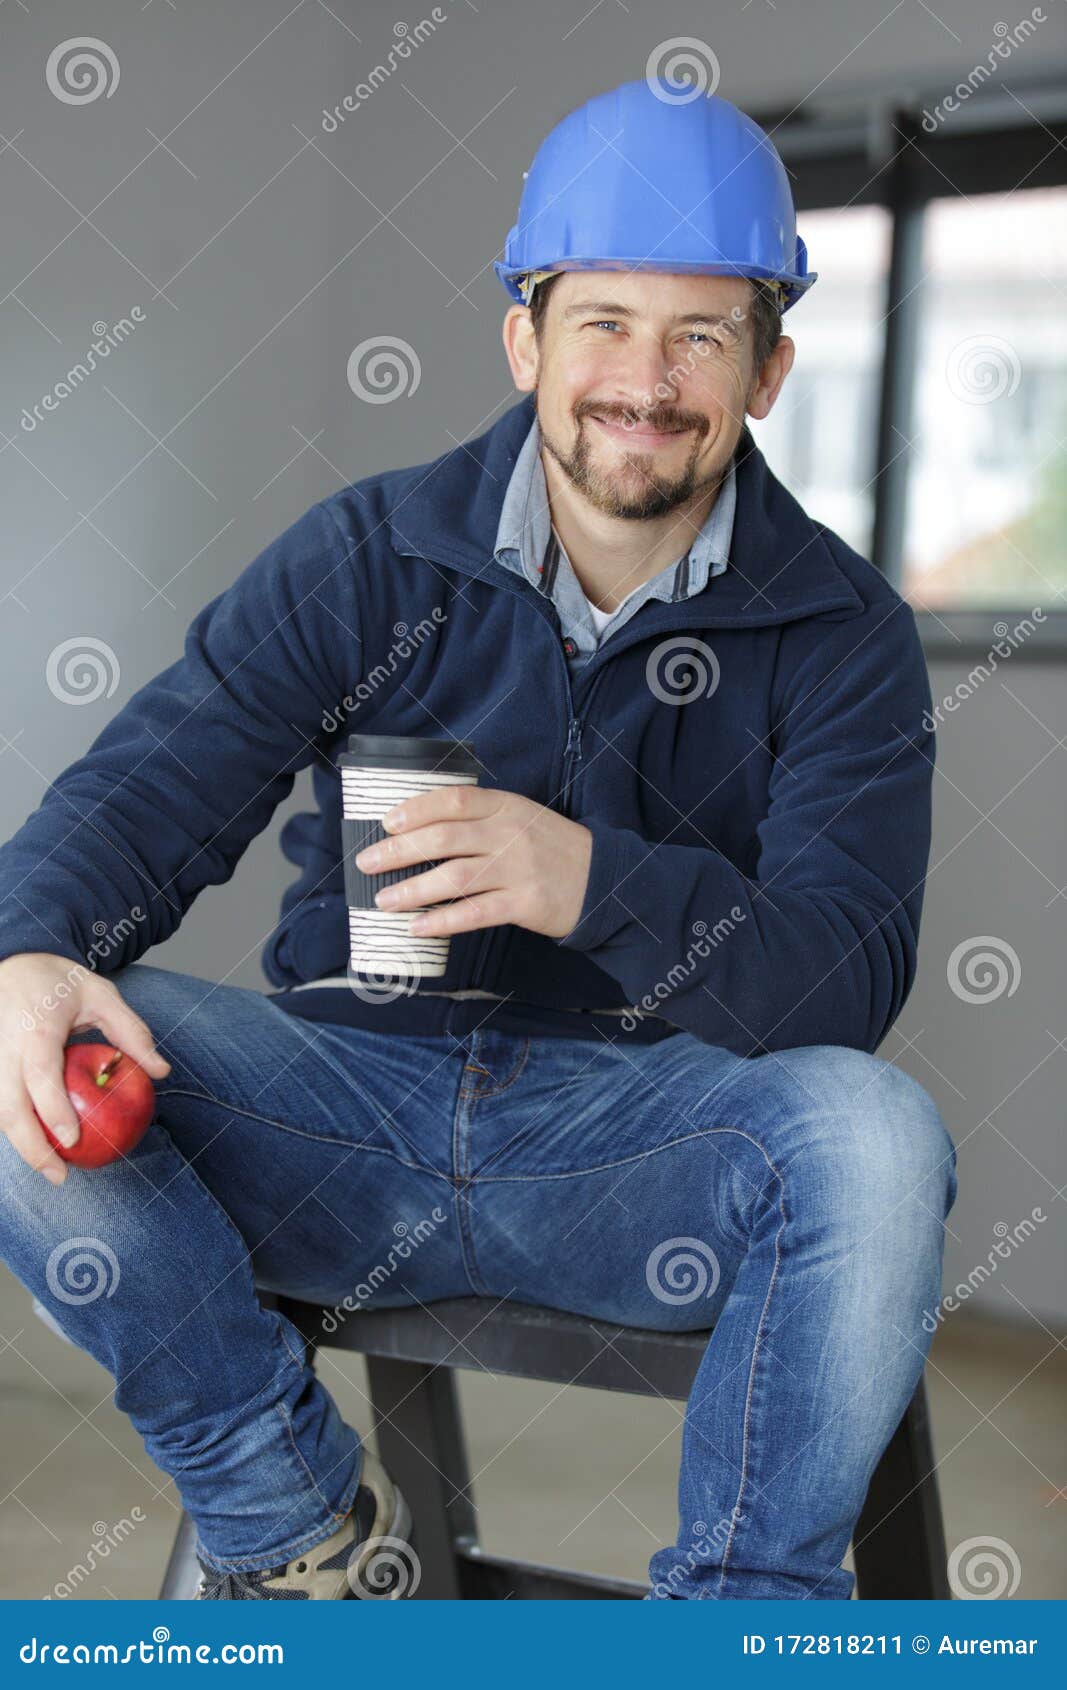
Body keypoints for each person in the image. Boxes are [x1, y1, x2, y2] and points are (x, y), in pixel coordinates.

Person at [0, 79, 956, 1601]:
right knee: (13, 1012)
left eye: (702, 335)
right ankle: (293, 1525)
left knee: (878, 1137)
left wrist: (591, 881)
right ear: (527, 339)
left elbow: (838, 984)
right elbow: (150, 790)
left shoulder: (843, 634)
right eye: (605, 323)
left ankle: (735, 1624)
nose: (644, 379)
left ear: (768, 370)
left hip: (638, 1147)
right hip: (342, 1121)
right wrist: (27, 943)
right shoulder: (372, 557)